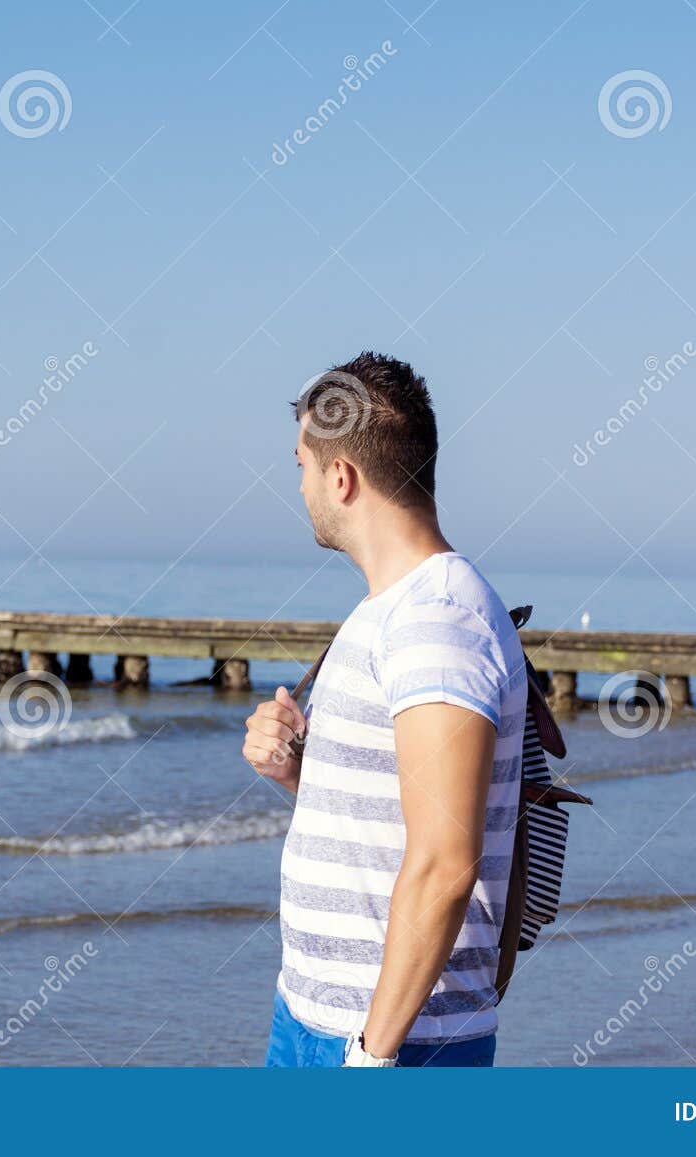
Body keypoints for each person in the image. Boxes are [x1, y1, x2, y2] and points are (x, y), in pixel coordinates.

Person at [243, 351, 528, 1068]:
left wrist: (372, 1054)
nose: (300, 483)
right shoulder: (389, 612)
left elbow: (444, 861)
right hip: (318, 1018)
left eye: (301, 464)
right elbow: (407, 815)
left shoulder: (435, 618)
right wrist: (296, 770)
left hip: (396, 1045)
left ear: (341, 477)